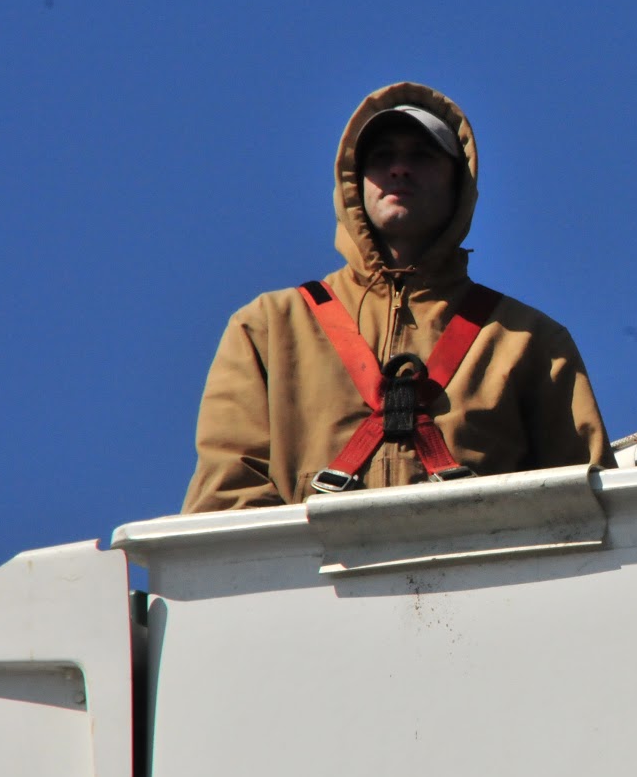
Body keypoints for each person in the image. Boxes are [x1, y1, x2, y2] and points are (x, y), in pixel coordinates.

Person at [183, 81, 613, 513]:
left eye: (421, 156)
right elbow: (227, 498)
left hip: (478, 575)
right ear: (354, 183)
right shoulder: (267, 326)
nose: (399, 169)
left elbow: (584, 509)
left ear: (458, 185)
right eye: (382, 157)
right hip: (315, 576)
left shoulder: (529, 341)